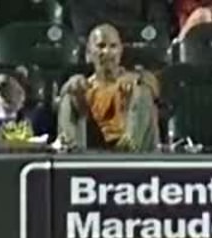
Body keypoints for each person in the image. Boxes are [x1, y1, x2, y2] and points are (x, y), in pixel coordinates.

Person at [56, 24, 161, 152]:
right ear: (89, 53)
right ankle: (70, 150)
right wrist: (69, 87)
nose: (107, 52)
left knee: (142, 91)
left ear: (121, 51)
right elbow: (61, 99)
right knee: (69, 93)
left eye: (113, 46)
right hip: (92, 152)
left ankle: (128, 149)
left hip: (134, 152)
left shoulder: (134, 82)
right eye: (101, 46)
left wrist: (140, 79)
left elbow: (155, 87)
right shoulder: (83, 87)